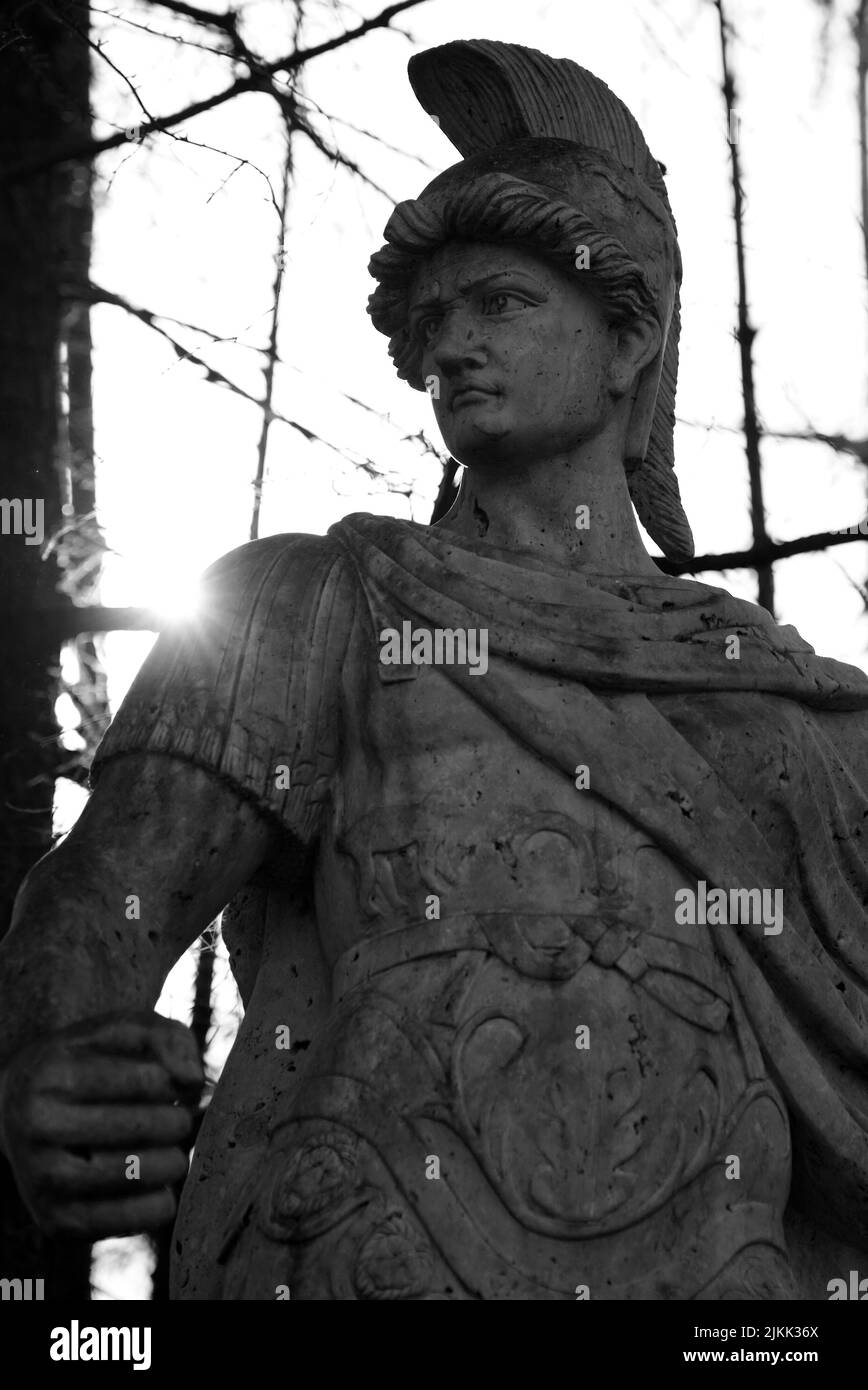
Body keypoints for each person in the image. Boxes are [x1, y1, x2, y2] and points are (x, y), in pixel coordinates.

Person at [2, 40, 868, 1300]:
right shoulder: (311, 605)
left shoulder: (790, 713)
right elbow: (105, 892)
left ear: (630, 336)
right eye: (432, 320)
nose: (448, 347)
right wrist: (56, 1053)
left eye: (502, 303)